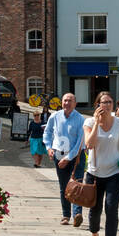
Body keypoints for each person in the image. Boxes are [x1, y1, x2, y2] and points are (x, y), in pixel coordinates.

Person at [83, 91, 119, 236]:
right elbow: (89, 144)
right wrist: (97, 123)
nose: (107, 105)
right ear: (98, 105)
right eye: (103, 102)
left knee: (111, 208)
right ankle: (94, 235)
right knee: (95, 209)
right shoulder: (89, 122)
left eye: (110, 102)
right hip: (95, 173)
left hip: (115, 173)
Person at [45, 93, 86, 226]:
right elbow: (47, 132)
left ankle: (77, 214)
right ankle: (66, 215)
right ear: (61, 102)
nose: (67, 103)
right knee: (64, 186)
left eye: (70, 101)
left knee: (77, 185)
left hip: (77, 156)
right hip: (59, 154)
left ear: (75, 103)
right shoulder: (55, 116)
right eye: (65, 101)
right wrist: (49, 148)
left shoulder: (80, 119)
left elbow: (80, 142)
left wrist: (68, 158)